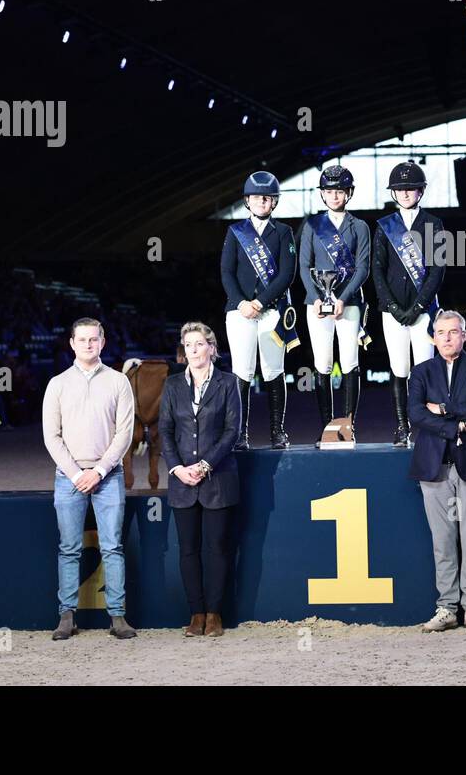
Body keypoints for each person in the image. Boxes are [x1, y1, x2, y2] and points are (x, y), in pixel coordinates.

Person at [43, 317, 137, 641]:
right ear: (71, 343)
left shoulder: (118, 382)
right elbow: (51, 436)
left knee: (113, 547)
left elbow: (125, 434)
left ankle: (118, 617)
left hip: (108, 476)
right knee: (69, 549)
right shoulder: (57, 384)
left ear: (102, 342)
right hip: (68, 477)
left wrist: (98, 471)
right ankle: (66, 617)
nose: (87, 344)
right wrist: (76, 473)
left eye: (93, 339)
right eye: (81, 340)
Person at [407, 310, 466, 633]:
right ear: (433, 337)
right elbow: (416, 414)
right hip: (434, 465)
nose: (447, 337)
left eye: (453, 332)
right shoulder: (420, 373)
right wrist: (456, 426)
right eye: (441, 332)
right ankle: (446, 606)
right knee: (442, 538)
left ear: (464, 336)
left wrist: (445, 410)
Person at [159, 322, 242, 638]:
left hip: (217, 478)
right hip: (182, 481)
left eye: (199, 343)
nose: (193, 350)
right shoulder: (172, 386)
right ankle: (195, 613)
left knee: (218, 548)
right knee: (188, 550)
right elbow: (165, 431)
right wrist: (177, 469)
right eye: (188, 345)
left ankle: (214, 614)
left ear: (211, 347)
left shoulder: (228, 383)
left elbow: (231, 432)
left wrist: (206, 465)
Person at [220, 171, 300, 449]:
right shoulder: (235, 232)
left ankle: (277, 431)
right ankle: (240, 434)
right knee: (242, 371)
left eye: (267, 198)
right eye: (256, 198)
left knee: (273, 370)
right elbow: (226, 272)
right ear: (247, 201)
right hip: (239, 311)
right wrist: (242, 302)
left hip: (271, 311)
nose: (261, 202)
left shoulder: (284, 232)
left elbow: (287, 274)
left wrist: (260, 302)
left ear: (273, 202)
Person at [373, 162, 445, 447]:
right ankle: (402, 425)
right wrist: (392, 306)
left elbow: (438, 270)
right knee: (399, 367)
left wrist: (417, 308)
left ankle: (428, 426)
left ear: (420, 191)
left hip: (424, 310)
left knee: (425, 367)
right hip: (392, 312)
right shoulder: (384, 227)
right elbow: (377, 270)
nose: (404, 193)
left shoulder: (434, 224)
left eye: (410, 188)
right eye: (399, 189)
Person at [297, 165, 372, 440]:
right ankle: (327, 427)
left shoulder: (360, 227)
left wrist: (342, 298)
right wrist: (317, 298)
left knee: (350, 362)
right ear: (322, 194)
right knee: (322, 363)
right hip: (316, 305)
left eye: (339, 191)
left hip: (349, 302)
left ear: (348, 193)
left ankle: (348, 426)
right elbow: (305, 266)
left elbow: (363, 268)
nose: (334, 196)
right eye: (329, 192)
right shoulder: (312, 225)